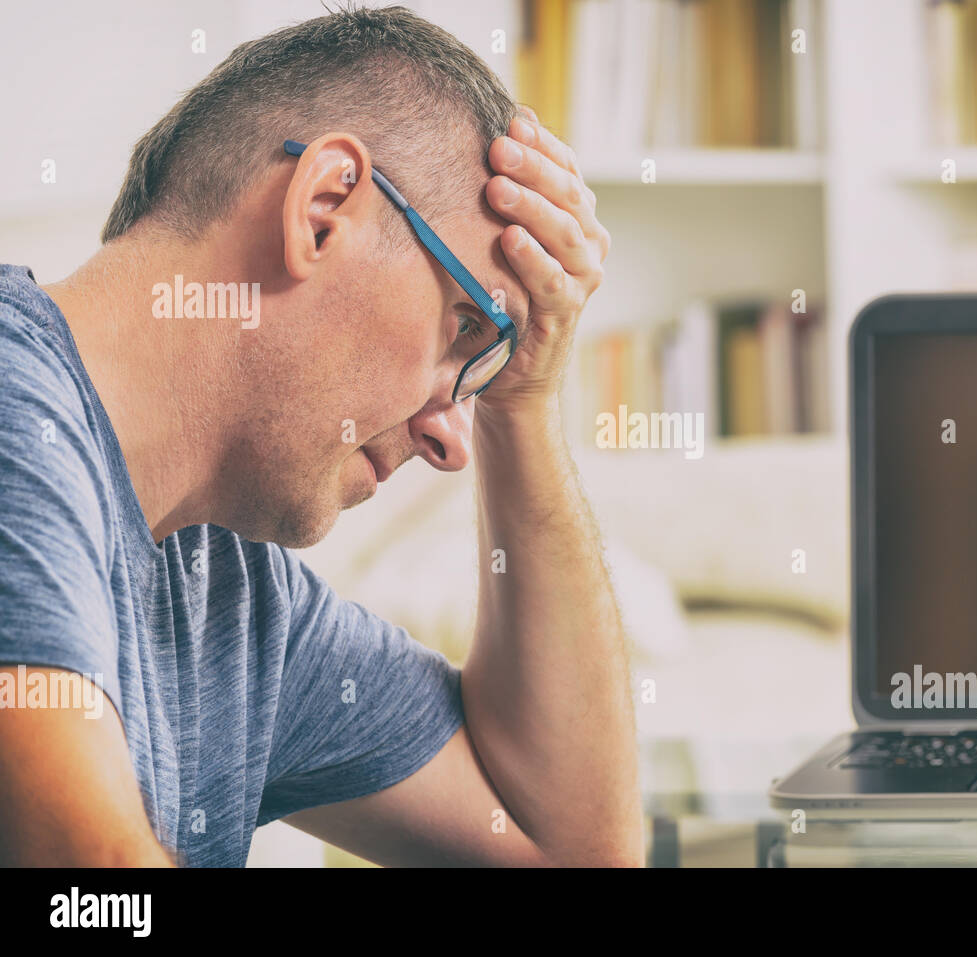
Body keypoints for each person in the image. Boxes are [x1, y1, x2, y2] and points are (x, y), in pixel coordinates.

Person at [0, 6, 640, 867]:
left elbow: (576, 853)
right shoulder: (15, 403)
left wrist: (524, 403)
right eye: (466, 330)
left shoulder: (236, 600)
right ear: (324, 209)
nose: (453, 442)